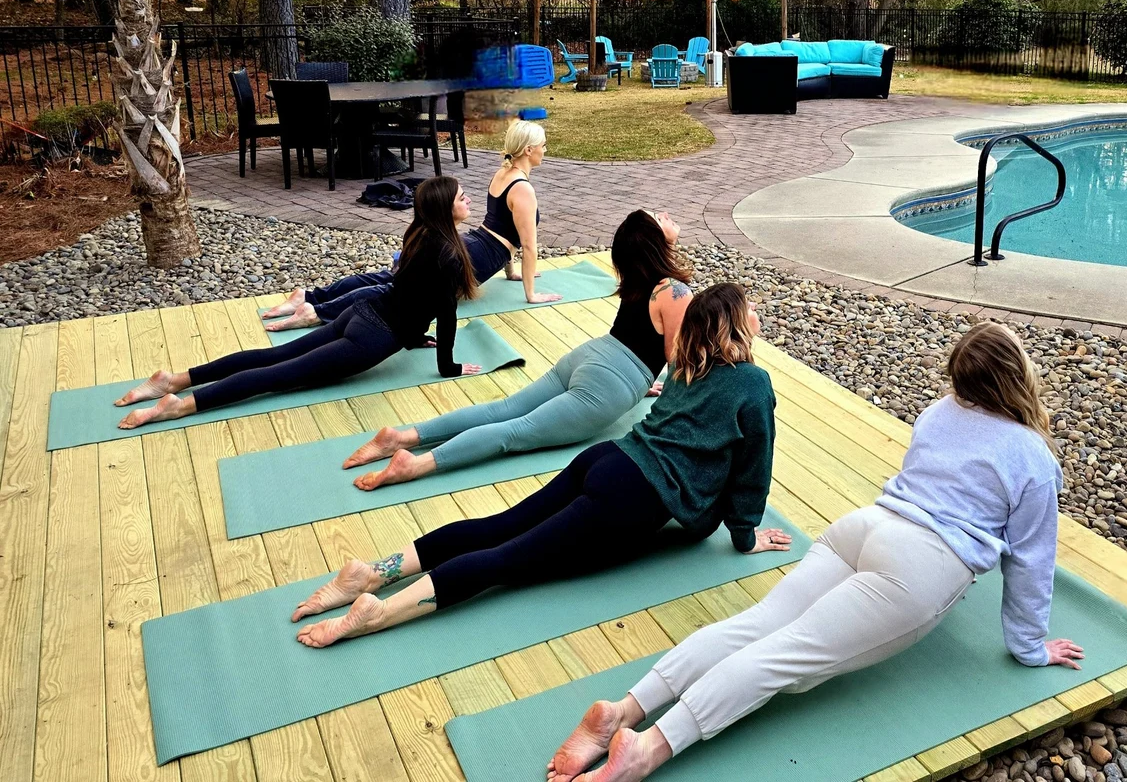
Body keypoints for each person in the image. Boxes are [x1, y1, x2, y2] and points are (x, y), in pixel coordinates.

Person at [545, 321, 1080, 782]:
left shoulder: (940, 412)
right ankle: (647, 749)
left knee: (756, 624)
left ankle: (623, 710)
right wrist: (1030, 647)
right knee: (785, 654)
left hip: (866, 526)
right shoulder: (1031, 454)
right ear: (1019, 376)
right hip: (919, 564)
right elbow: (1030, 561)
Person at [289, 283, 792, 647]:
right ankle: (380, 612)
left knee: (500, 525)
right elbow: (754, 467)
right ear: (733, 324)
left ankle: (373, 572)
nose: (757, 316)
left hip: (607, 460)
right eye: (750, 310)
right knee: (510, 559)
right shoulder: (752, 384)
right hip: (633, 496)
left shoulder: (688, 366)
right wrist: (745, 532)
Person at [343, 208, 694, 490]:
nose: (667, 215)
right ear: (653, 240)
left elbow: (637, 333)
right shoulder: (674, 291)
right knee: (515, 432)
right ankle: (415, 463)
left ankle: (402, 436)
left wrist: (638, 378)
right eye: (659, 217)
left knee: (505, 409)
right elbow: (677, 362)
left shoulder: (637, 275)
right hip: (609, 382)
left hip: (589, 356)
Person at [113, 177, 485, 429]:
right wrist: (448, 367)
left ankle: (174, 380)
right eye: (461, 196)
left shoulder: (419, 232)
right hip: (371, 337)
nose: (468, 200)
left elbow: (409, 292)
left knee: (272, 357)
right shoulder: (448, 253)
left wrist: (413, 335)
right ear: (443, 208)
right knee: (279, 375)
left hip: (362, 311)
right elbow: (446, 314)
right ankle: (181, 404)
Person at [259, 118, 559, 331]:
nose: (546, 150)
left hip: (474, 243)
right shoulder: (523, 188)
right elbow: (528, 244)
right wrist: (532, 294)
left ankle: (309, 296)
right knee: (399, 291)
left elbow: (502, 225)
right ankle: (316, 311)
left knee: (395, 277)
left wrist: (512, 272)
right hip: (479, 255)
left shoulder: (503, 173)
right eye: (543, 146)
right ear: (529, 150)